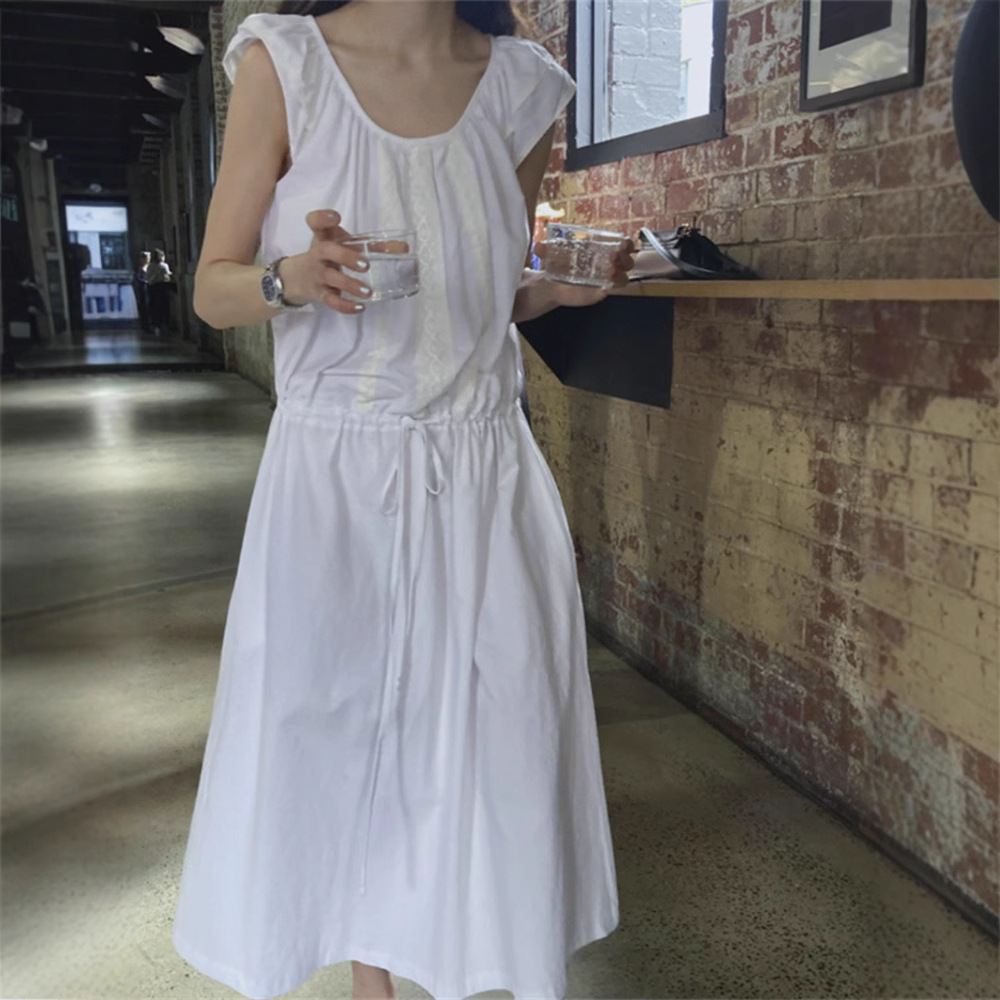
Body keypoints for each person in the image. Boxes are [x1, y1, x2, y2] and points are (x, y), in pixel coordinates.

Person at [171, 3, 635, 1000]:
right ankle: (370, 982)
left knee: (492, 739)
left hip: (482, 468)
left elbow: (489, 288)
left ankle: (471, 959)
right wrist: (293, 279)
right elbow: (212, 287)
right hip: (334, 472)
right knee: (334, 730)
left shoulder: (520, 86)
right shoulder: (286, 64)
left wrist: (558, 289)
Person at [145, 248, 172, 335]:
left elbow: (148, 278)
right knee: (164, 307)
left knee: (154, 308)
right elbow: (167, 277)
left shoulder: (150, 266)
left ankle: (156, 325)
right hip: (162, 288)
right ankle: (165, 325)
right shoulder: (164, 266)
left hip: (152, 288)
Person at [132, 250, 151, 333]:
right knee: (144, 307)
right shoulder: (139, 269)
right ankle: (145, 325)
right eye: (147, 258)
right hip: (142, 290)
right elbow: (138, 278)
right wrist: (145, 281)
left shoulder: (149, 267)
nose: (148, 259)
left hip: (149, 289)